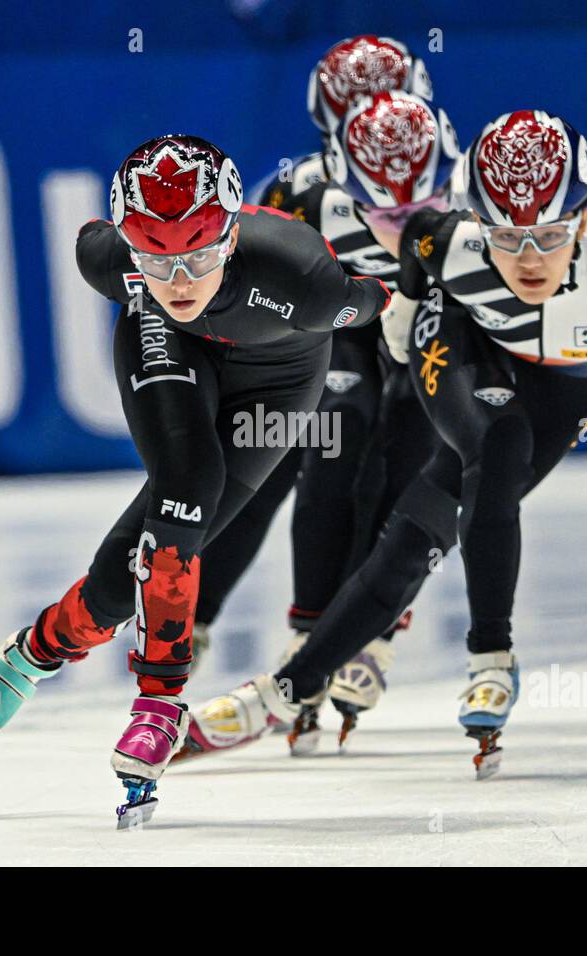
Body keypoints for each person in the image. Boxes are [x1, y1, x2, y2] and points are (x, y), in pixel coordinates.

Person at [181, 110, 587, 778]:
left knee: (419, 536)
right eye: (507, 236)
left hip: (562, 388)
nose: (529, 259)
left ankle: (285, 689)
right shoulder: (455, 243)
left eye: (550, 236)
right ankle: (491, 657)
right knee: (493, 443)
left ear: (584, 223)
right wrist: (407, 319)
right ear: (480, 223)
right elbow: (417, 244)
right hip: (468, 346)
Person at [0, 134, 389, 824]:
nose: (178, 282)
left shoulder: (304, 282)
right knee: (186, 484)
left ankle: (32, 653)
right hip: (168, 347)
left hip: (281, 380)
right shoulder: (113, 265)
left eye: (198, 257)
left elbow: (375, 299)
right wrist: (155, 275)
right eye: (155, 258)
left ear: (231, 236)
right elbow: (103, 244)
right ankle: (160, 705)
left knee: (119, 586)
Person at [190, 40, 446, 748]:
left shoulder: (453, 179)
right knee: (297, 445)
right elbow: (245, 278)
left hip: (419, 331)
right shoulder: (300, 190)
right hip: (335, 333)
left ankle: (362, 634)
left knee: (401, 456)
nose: (389, 167)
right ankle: (226, 617)